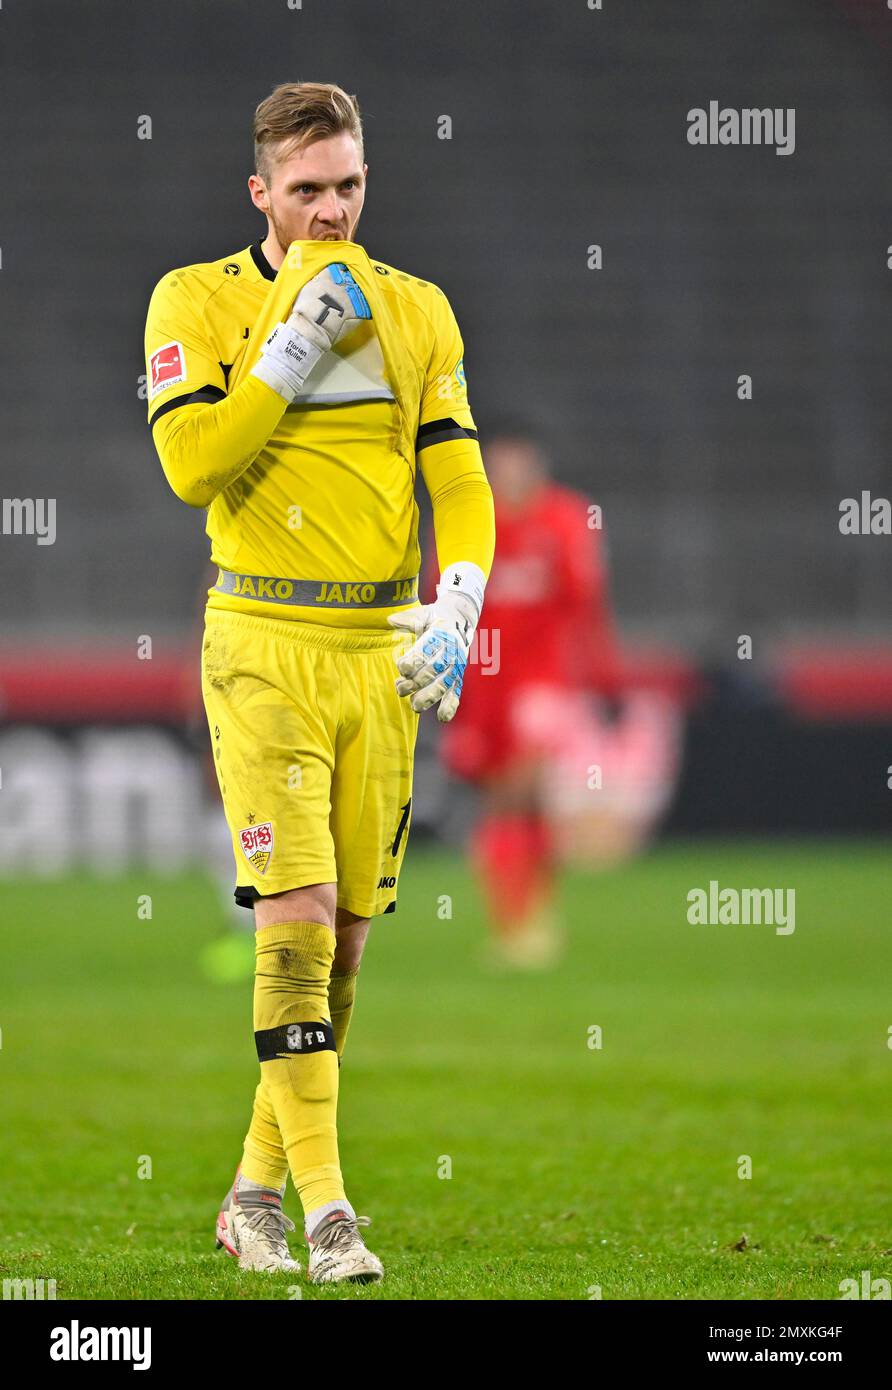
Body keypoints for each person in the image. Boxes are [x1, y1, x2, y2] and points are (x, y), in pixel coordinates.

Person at [144, 82, 495, 1283]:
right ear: (261, 194)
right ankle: (329, 1212)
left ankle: (253, 1191)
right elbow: (194, 465)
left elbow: (456, 479)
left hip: (380, 656)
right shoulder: (196, 299)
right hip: (260, 645)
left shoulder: (416, 310)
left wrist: (462, 596)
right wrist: (288, 350)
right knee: (292, 925)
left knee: (340, 956)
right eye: (306, 191)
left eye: (348, 183)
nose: (333, 209)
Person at [440, 424, 680, 968]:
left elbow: (587, 605)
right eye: (498, 466)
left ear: (538, 465)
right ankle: (515, 924)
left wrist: (604, 675)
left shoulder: (566, 519)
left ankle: (533, 924)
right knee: (499, 803)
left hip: (542, 684)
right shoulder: (473, 522)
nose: (509, 476)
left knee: (524, 792)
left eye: (518, 463)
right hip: (482, 686)